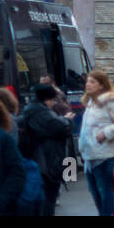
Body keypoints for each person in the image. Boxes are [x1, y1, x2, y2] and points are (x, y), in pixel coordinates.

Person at [78, 69, 114, 216]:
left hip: (104, 154)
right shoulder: (91, 101)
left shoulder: (110, 102)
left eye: (92, 82)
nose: (88, 84)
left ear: (101, 85)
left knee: (105, 191)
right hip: (89, 155)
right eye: (87, 81)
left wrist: (105, 133)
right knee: (95, 192)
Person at [19, 83, 74, 215]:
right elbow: (61, 128)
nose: (54, 103)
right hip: (47, 163)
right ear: (47, 99)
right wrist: (67, 121)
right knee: (48, 201)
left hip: (42, 161)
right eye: (53, 100)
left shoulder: (31, 110)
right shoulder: (42, 113)